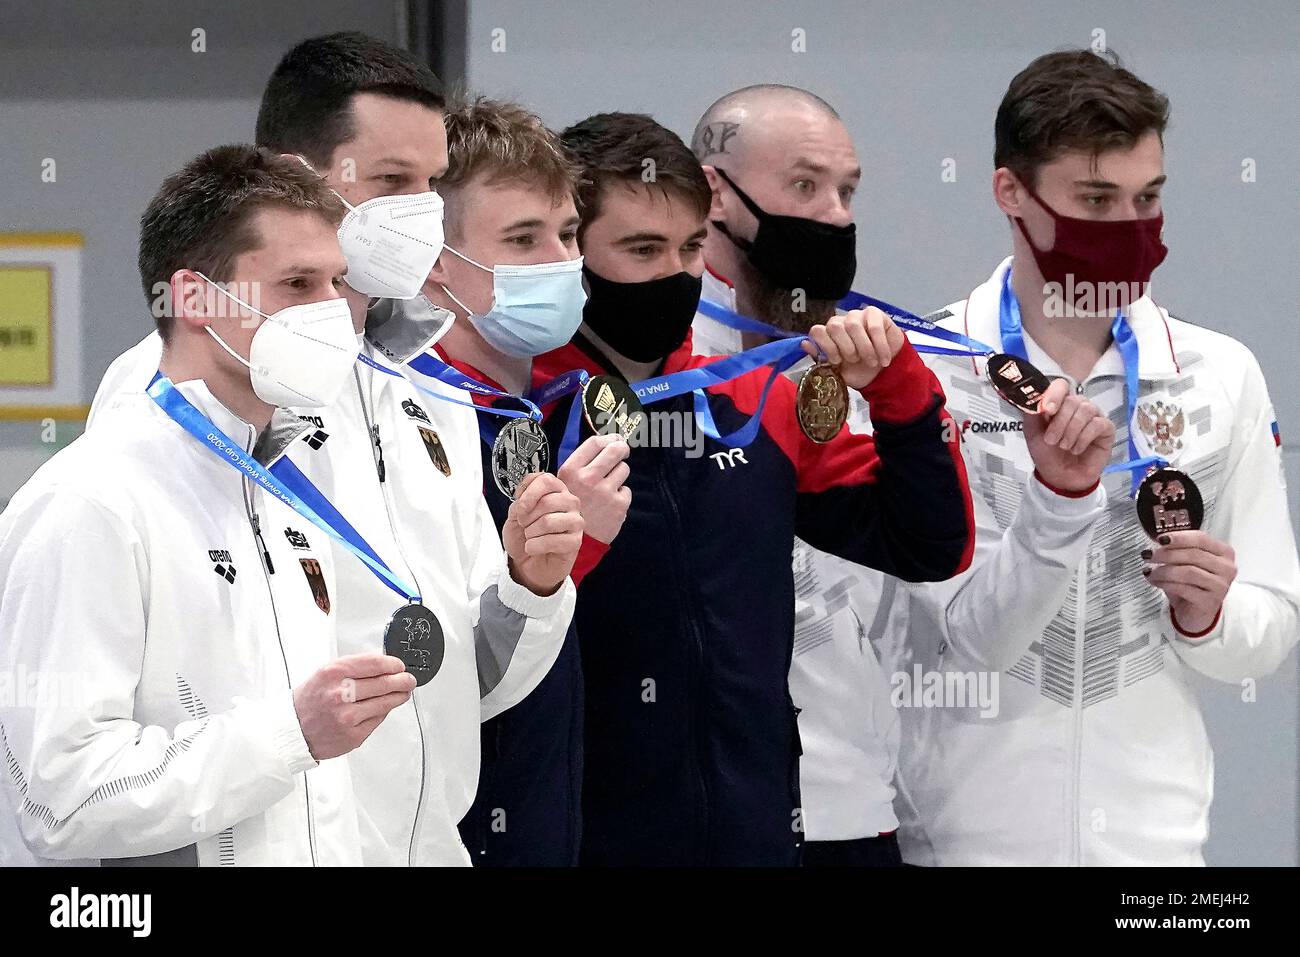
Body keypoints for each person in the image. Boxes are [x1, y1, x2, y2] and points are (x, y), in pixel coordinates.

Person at [85, 32, 583, 866]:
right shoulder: (173, 399)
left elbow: (457, 673)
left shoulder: (429, 386)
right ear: (295, 178)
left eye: (431, 183)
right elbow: (135, 717)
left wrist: (531, 584)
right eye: (392, 183)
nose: (423, 213)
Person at [689, 83, 1118, 866]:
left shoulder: (872, 357)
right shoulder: (651, 366)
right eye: (805, 185)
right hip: (693, 812)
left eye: (847, 190)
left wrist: (1059, 497)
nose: (836, 215)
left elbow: (943, 571)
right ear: (716, 191)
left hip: (853, 809)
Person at [531, 111, 975, 866]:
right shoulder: (520, 413)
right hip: (583, 840)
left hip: (757, 834)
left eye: (691, 247)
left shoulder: (752, 401)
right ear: (572, 252)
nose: (675, 273)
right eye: (642, 250)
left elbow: (928, 543)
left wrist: (901, 393)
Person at [895, 50, 1300, 866]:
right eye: (1095, 200)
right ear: (1011, 192)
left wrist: (1209, 615)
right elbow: (938, 640)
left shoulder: (1219, 372)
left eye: (1147, 199)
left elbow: (1273, 620)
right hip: (951, 842)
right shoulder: (920, 371)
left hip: (1158, 854)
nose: (1127, 227)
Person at [0, 146, 416, 866]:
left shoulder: (283, 491)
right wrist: (290, 734)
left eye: (337, 283)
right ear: (193, 298)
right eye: (296, 283)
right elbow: (58, 800)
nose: (334, 315)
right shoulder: (91, 501)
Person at [420, 97, 631, 865]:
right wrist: (567, 555)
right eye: (521, 238)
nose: (559, 260)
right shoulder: (412, 424)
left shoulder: (547, 408)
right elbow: (440, 665)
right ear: (438, 264)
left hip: (548, 816)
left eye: (568, 233)